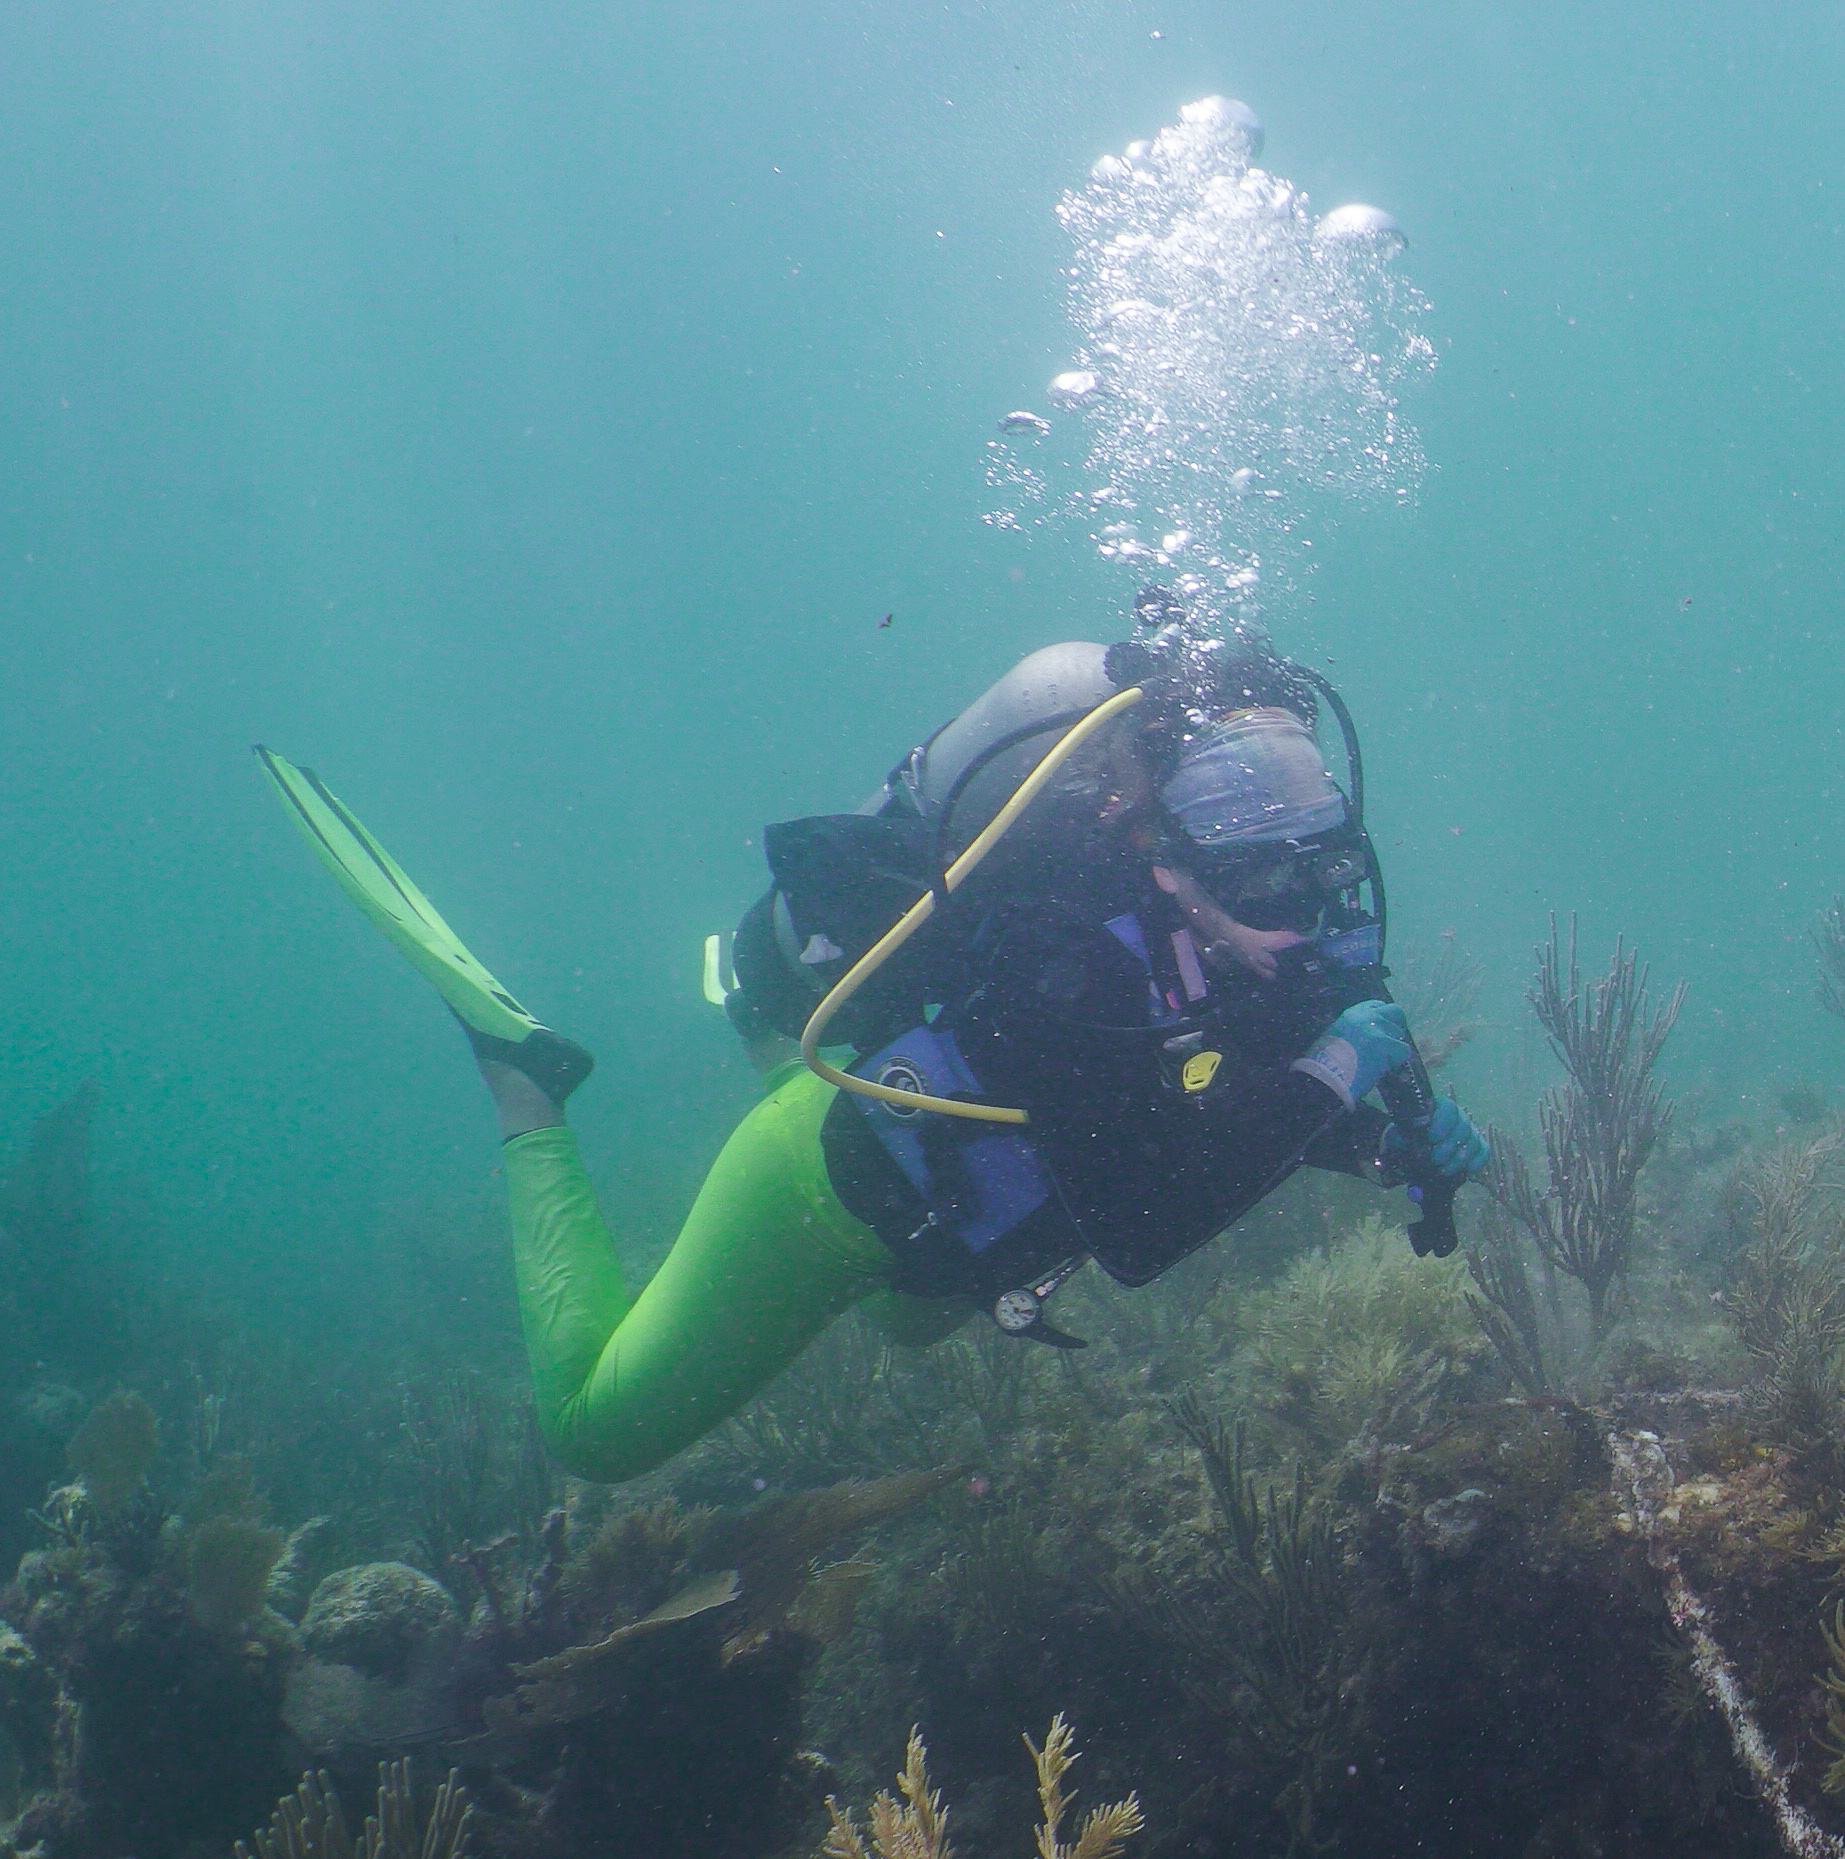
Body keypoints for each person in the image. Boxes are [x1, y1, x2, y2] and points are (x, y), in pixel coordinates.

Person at [264, 613, 1489, 1485]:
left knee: (910, 1327)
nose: (1300, 914)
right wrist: (1337, 1071)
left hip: (954, 1238)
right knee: (595, 1435)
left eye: (1313, 866)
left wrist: (1377, 1146)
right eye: (1261, 875)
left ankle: (764, 1034)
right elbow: (1140, 1226)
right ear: (1166, 853)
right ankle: (527, 1081)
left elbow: (1222, 1108)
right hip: (823, 1196)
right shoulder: (1064, 950)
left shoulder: (1227, 933)